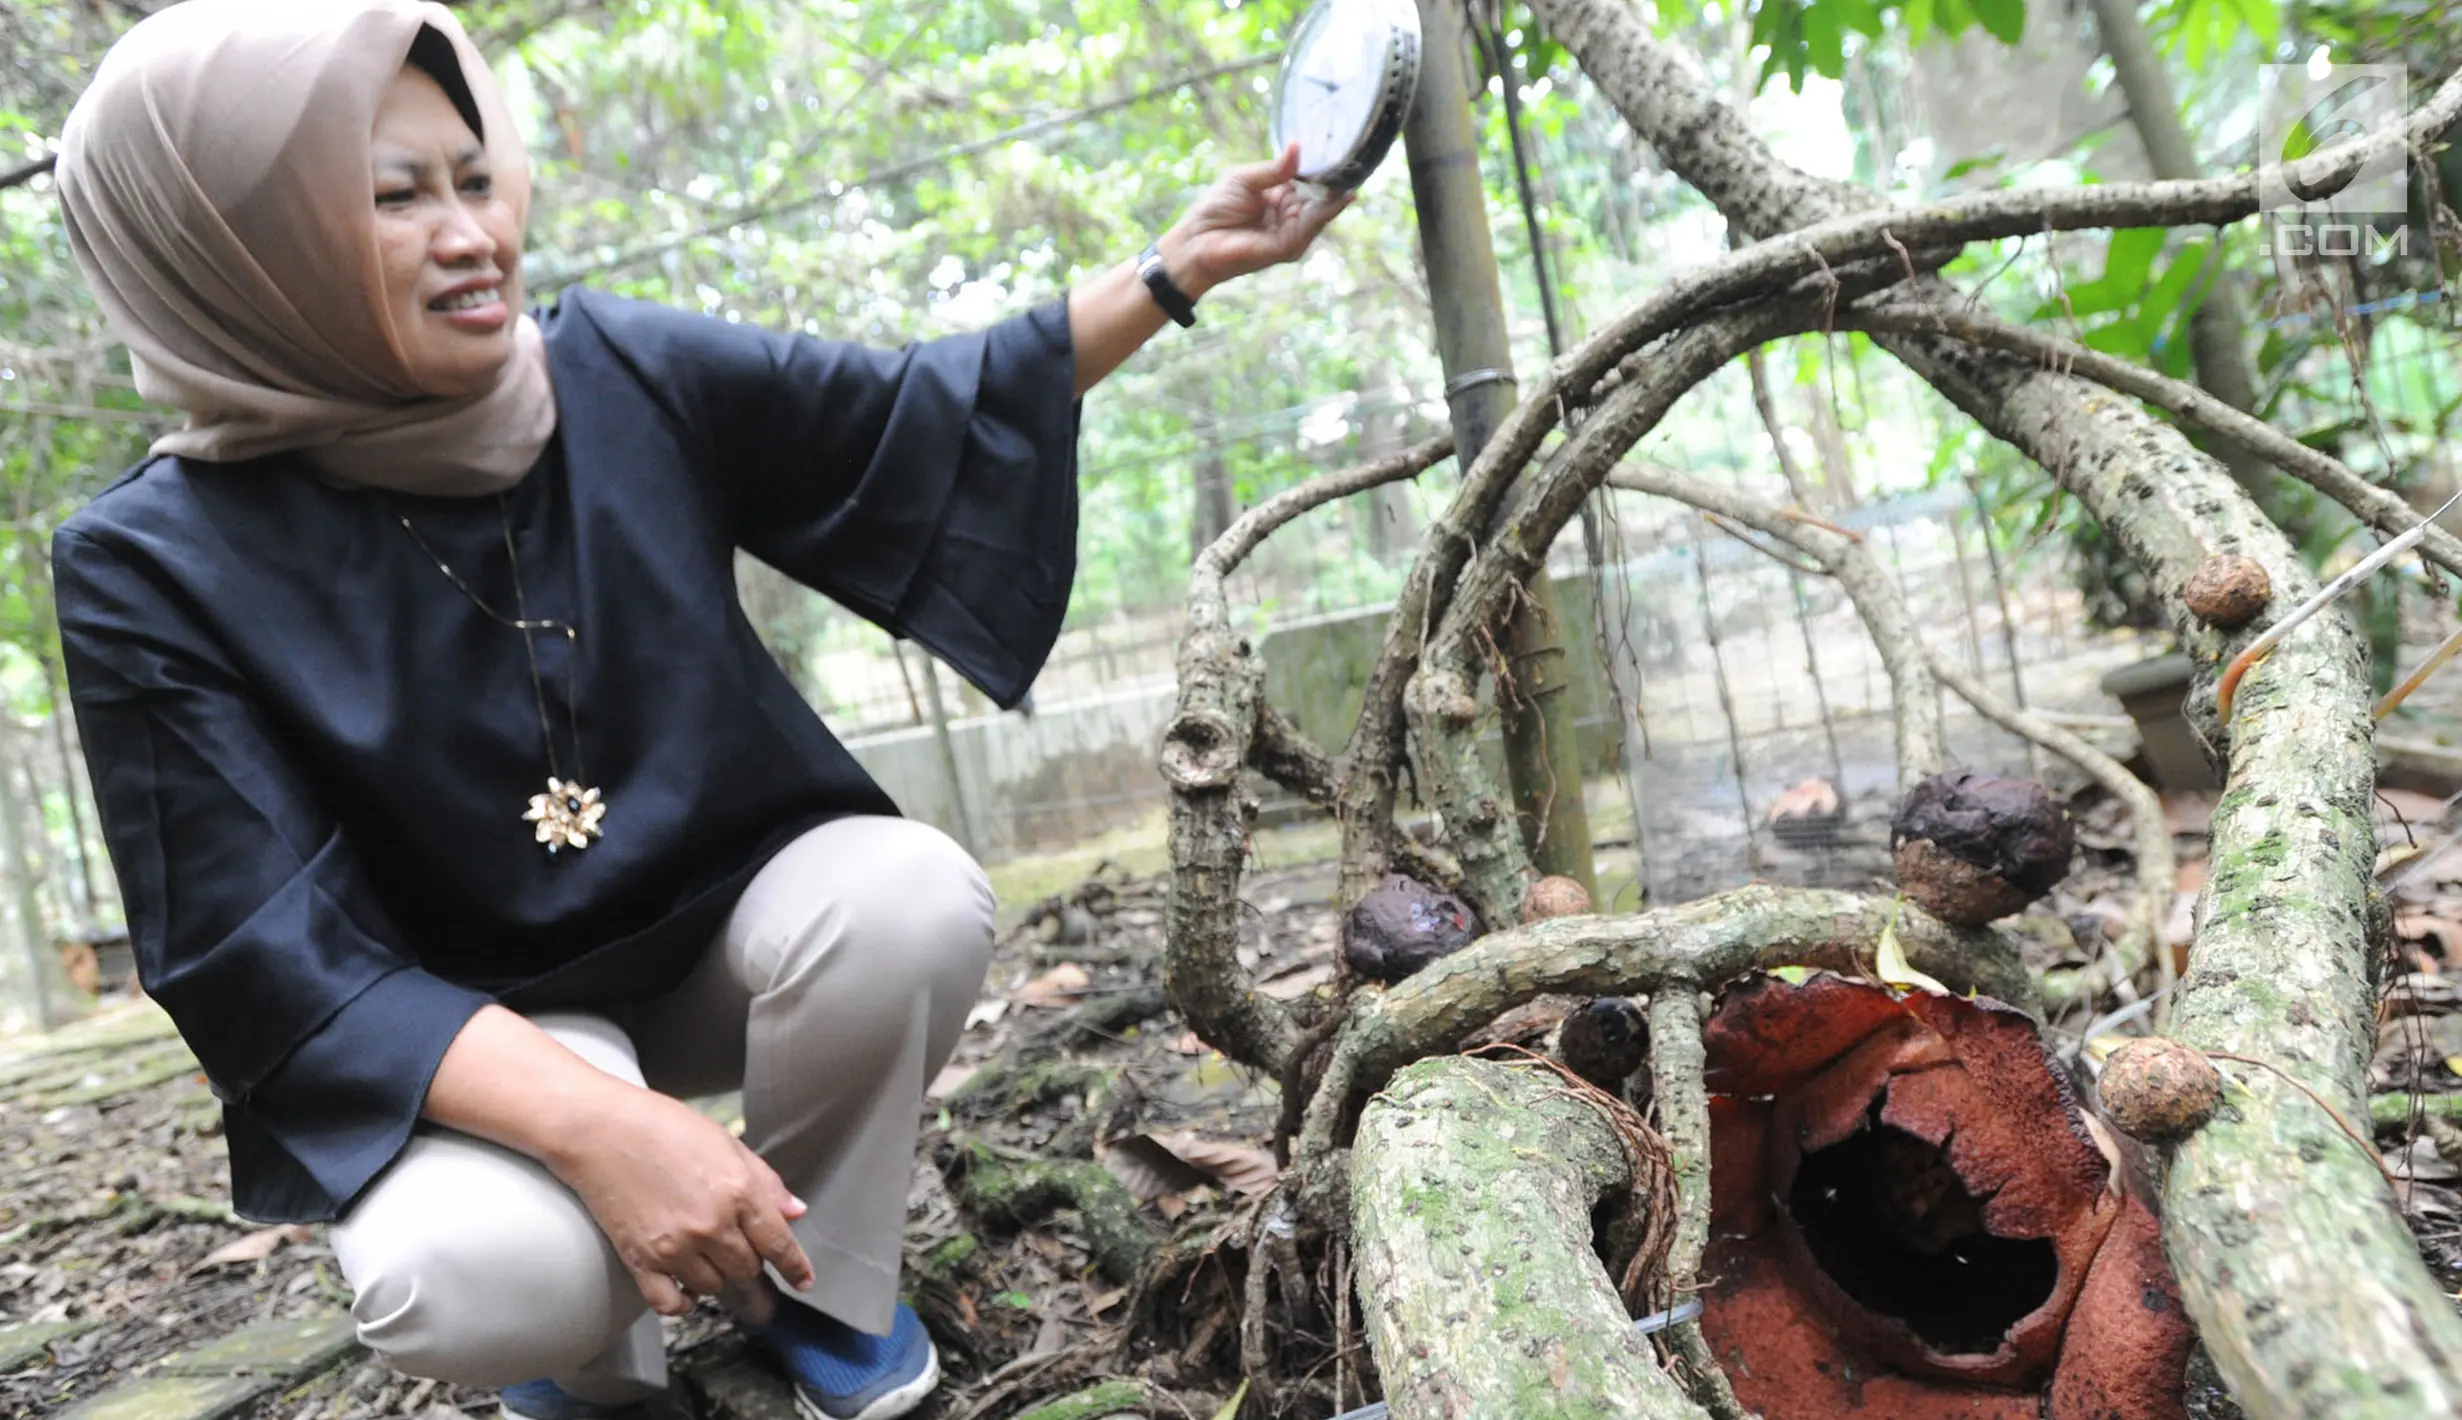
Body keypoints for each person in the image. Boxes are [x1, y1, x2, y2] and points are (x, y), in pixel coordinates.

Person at [46, 3, 1349, 1418]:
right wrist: (604, 1130)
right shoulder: (148, 561)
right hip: (472, 1034)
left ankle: (819, 1284)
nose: (472, 235)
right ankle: (584, 1360)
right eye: (393, 198)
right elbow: (258, 954)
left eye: (474, 179)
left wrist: (1171, 270)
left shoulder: (614, 372)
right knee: (467, 1275)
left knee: (905, 898)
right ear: (239, 249)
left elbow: (905, 413)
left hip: (715, 946)